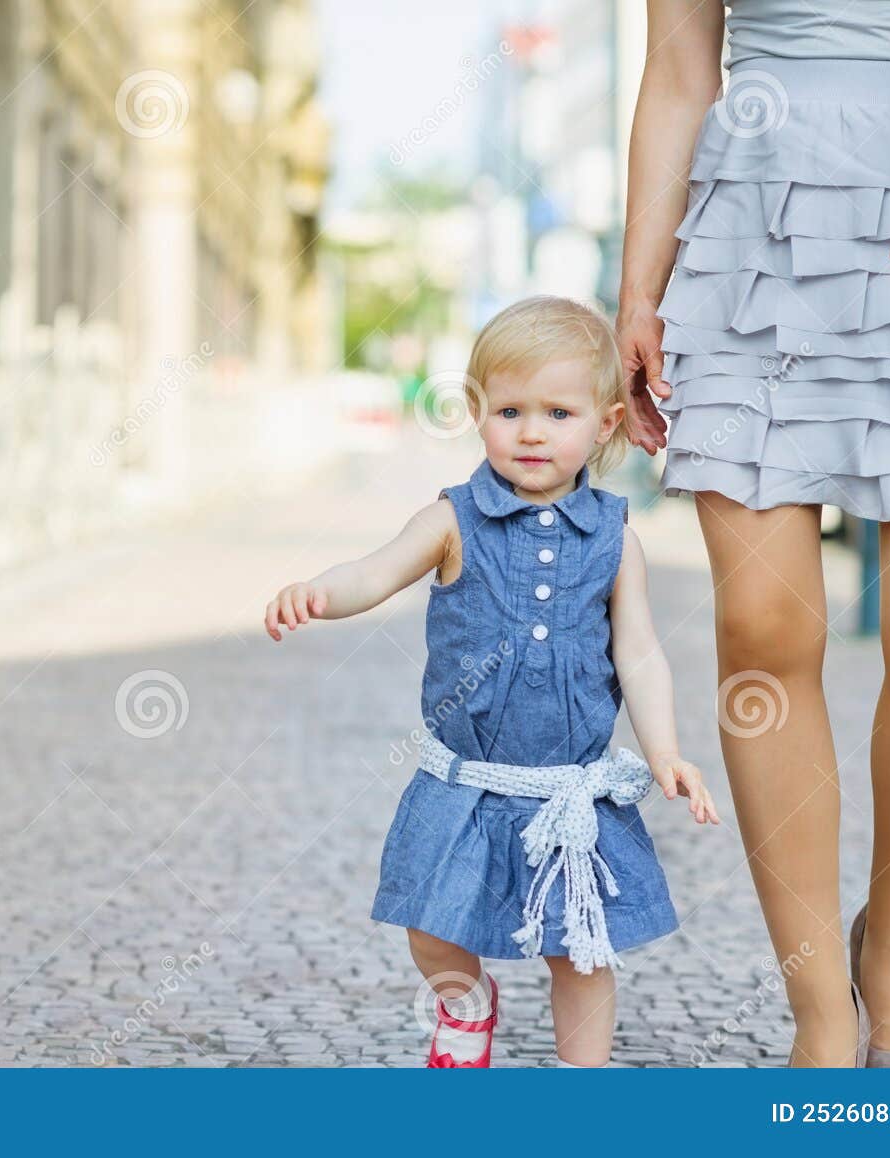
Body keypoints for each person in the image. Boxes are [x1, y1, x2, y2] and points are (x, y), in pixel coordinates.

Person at [619, 0, 890, 1066]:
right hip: (747, 227)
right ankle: (818, 1006)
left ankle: (888, 951)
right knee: (762, 628)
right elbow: (677, 72)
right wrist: (636, 290)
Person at [264, 295, 721, 1068]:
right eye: (510, 410)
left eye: (558, 412)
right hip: (465, 782)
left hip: (567, 792)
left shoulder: (616, 542)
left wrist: (667, 749)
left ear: (606, 423)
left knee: (581, 949)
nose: (533, 431)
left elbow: (639, 652)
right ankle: (463, 1003)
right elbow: (374, 573)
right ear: (477, 413)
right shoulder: (452, 521)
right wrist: (320, 592)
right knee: (432, 923)